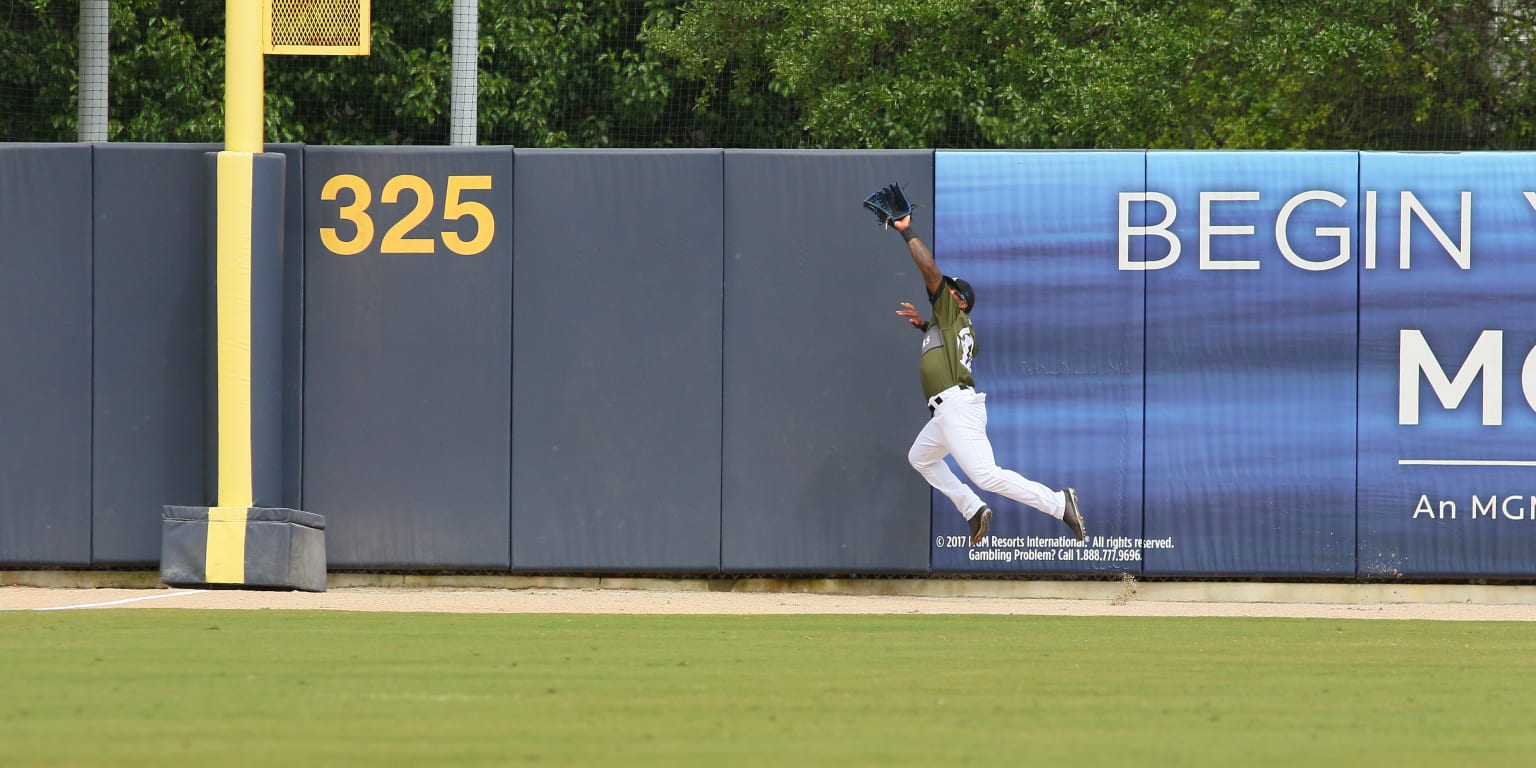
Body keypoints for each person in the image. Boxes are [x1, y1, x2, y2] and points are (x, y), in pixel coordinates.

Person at [889, 212, 1086, 546]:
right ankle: (972, 508)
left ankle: (1058, 503)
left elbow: (930, 270)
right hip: (947, 410)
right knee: (920, 457)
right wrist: (927, 326)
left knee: (986, 475)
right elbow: (954, 348)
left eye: (950, 291)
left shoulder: (954, 314)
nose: (942, 289)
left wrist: (907, 233)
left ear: (961, 302)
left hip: (955, 407)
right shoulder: (950, 324)